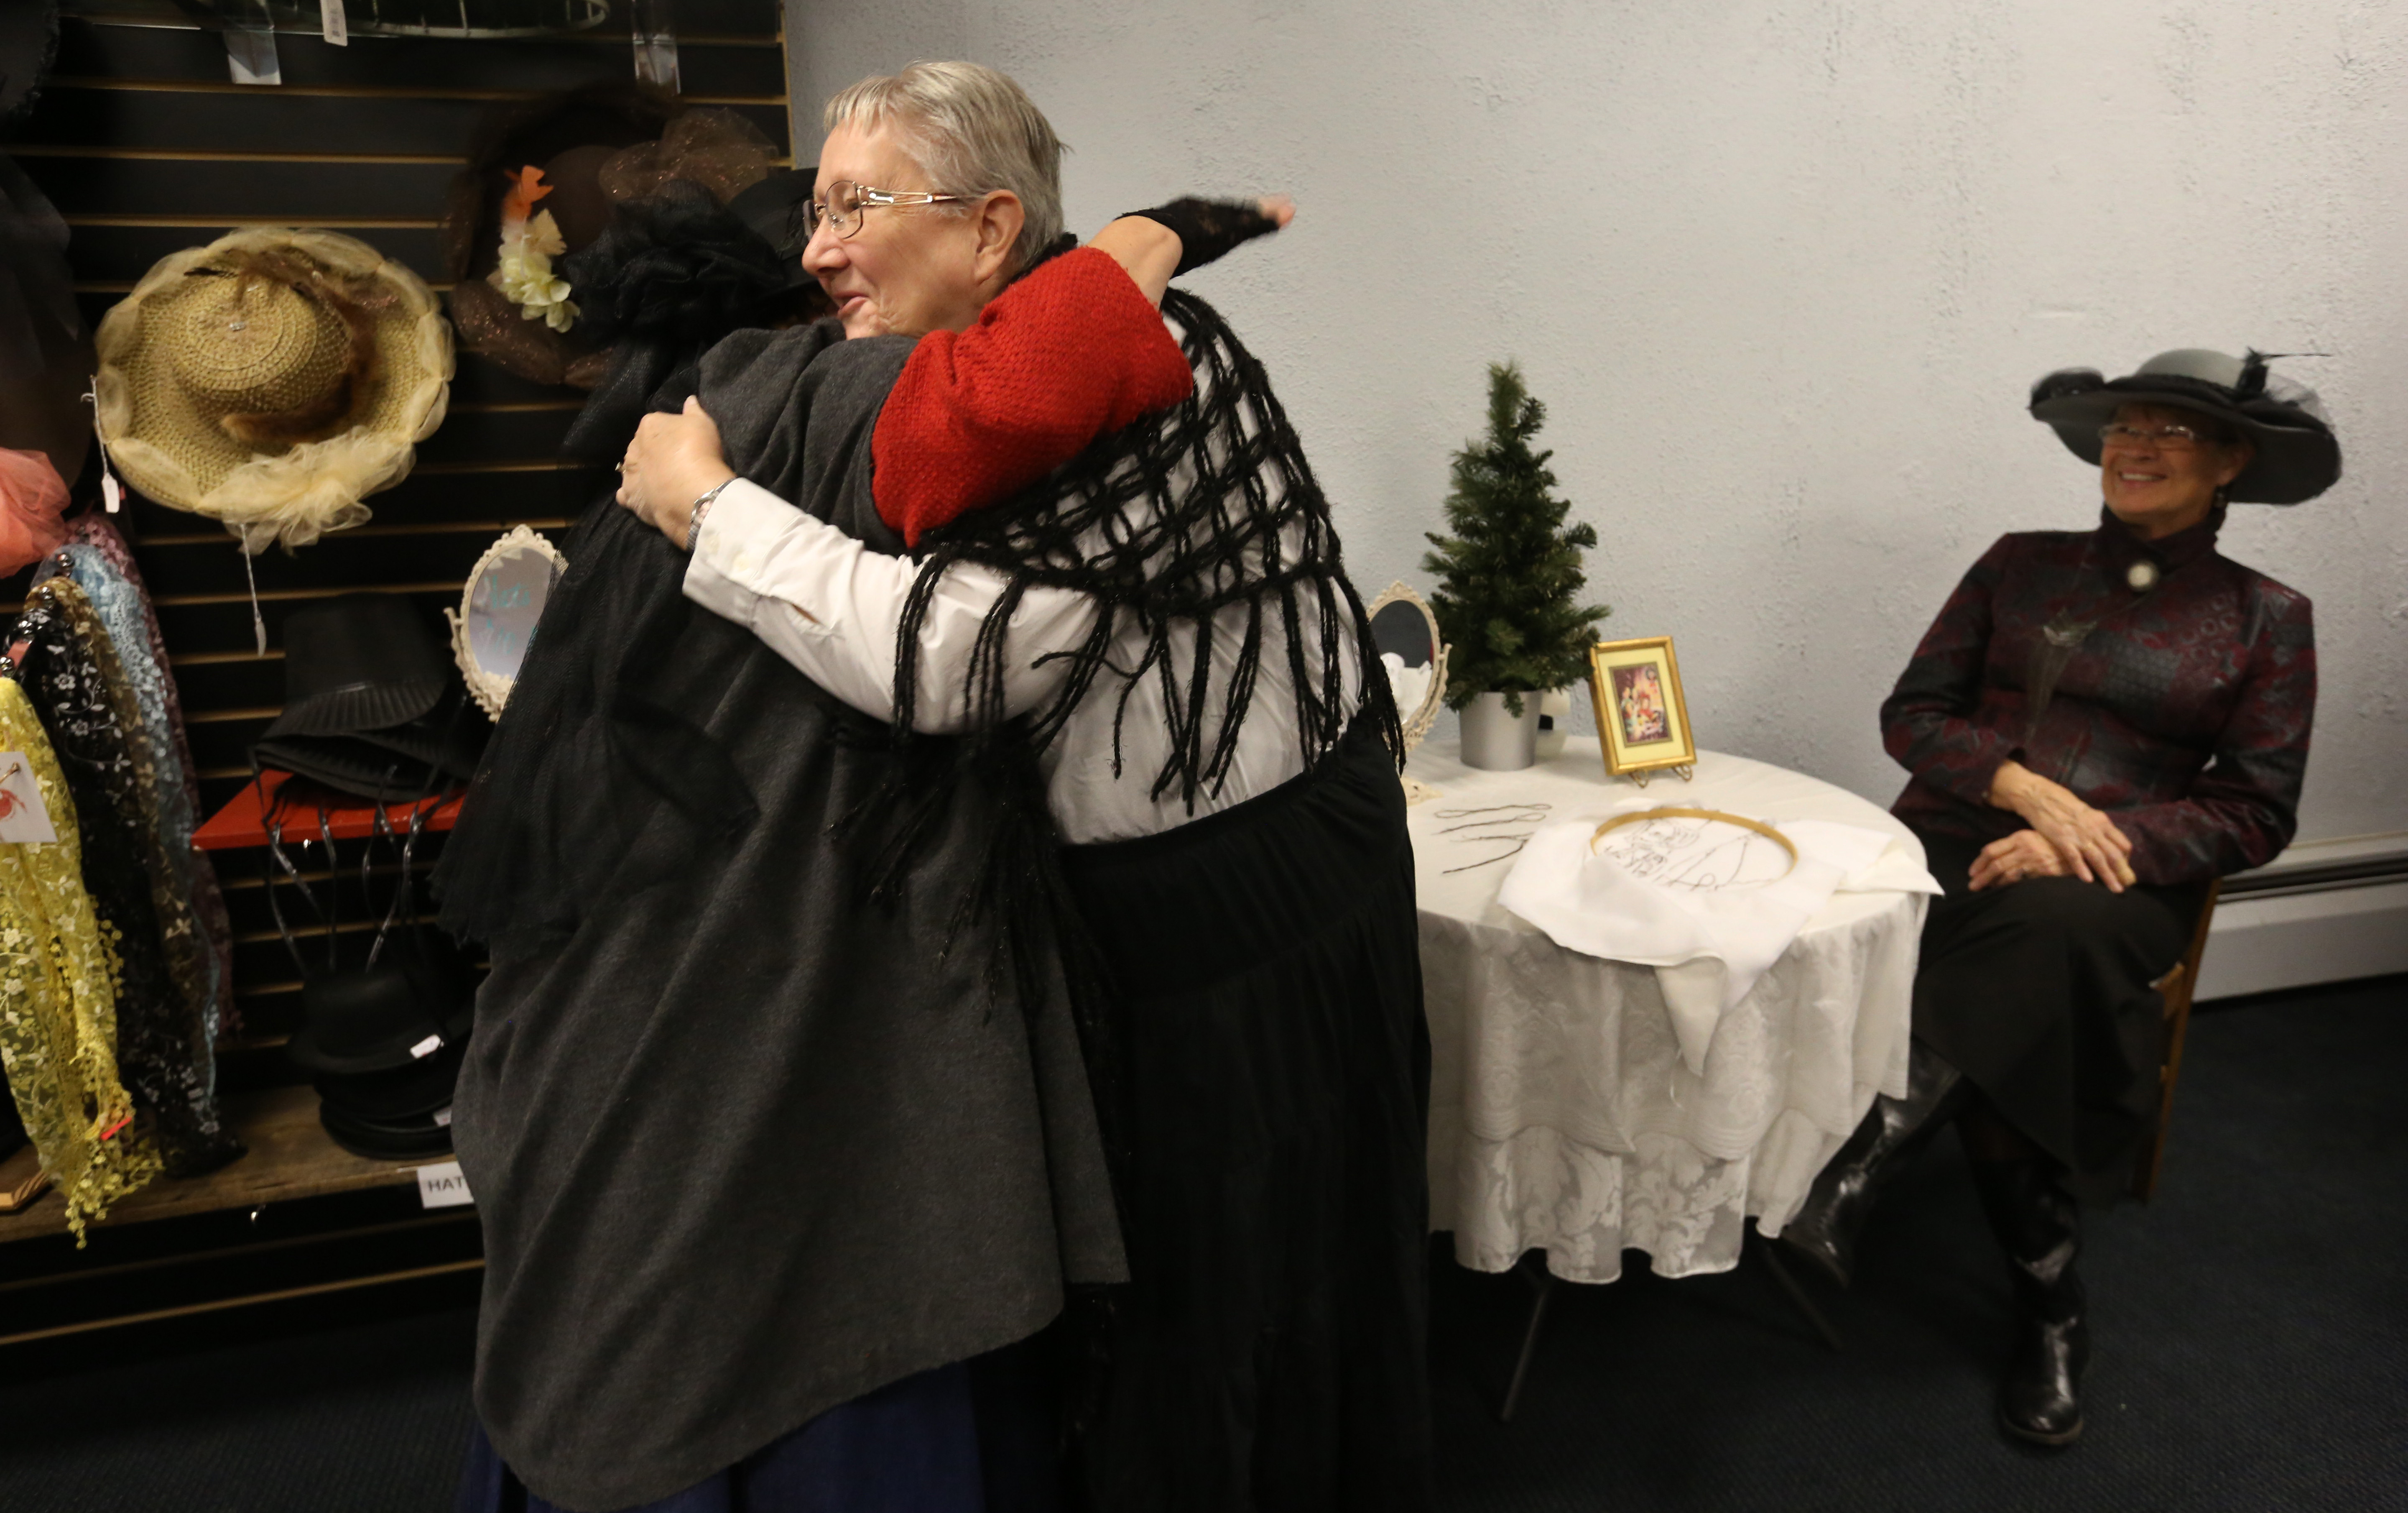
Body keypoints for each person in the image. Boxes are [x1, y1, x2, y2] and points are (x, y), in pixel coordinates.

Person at [614, 60, 1434, 1513]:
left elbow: (952, 661)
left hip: (1250, 902)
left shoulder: (1120, 364)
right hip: (1203, 891)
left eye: (853, 205)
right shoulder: (1006, 366)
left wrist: (706, 511)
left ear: (993, 231)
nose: (814, 250)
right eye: (815, 211)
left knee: (1234, 1271)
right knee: (1225, 1269)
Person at [1782, 348, 2331, 1447]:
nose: (2134, 444)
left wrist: (2096, 835)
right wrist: (2019, 786)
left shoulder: (2269, 616)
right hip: (1953, 833)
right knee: (2006, 970)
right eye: (2125, 425)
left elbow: (2257, 812)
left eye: (2170, 431)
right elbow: (1914, 713)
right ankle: (2051, 1297)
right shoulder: (2017, 565)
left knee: (2047, 935)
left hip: (2118, 875)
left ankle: (1873, 1165)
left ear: (2230, 461)